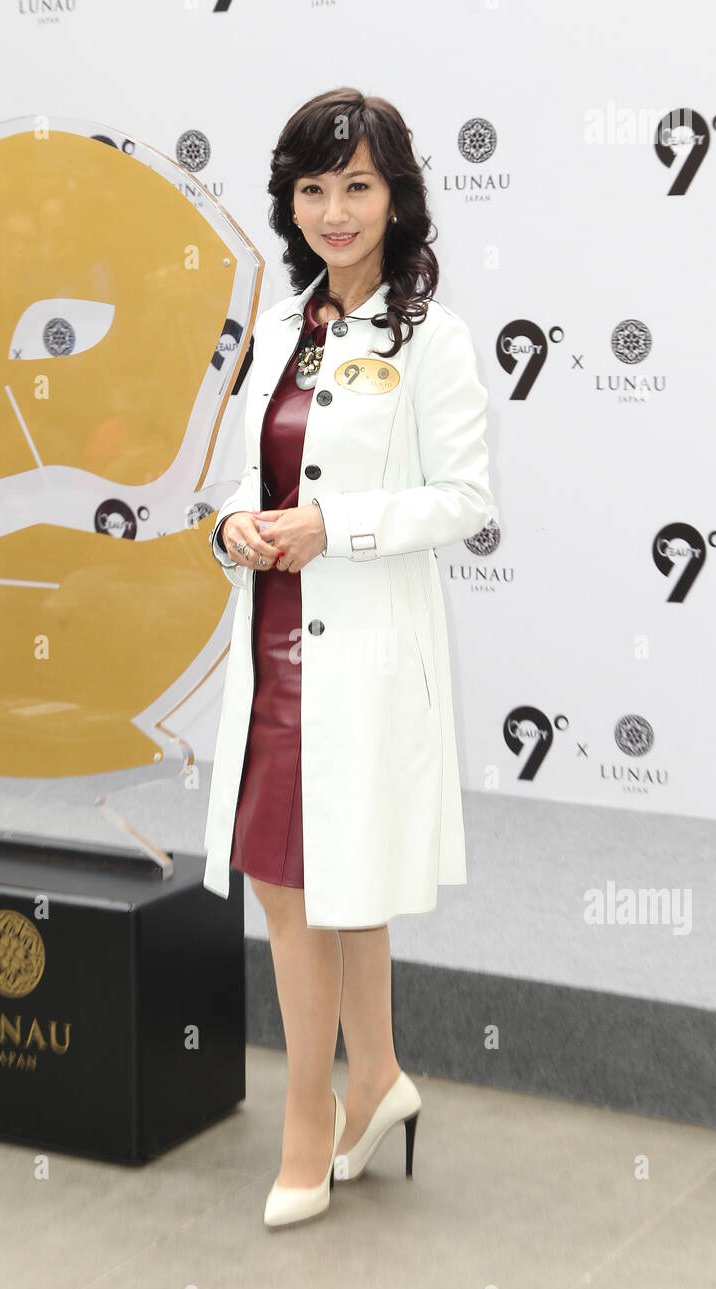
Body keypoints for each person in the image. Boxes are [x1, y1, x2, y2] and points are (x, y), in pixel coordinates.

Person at [203, 88, 498, 1229]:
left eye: (357, 186)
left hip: (361, 652)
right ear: (290, 201)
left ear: (396, 198)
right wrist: (234, 526)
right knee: (320, 876)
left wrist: (341, 526)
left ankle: (307, 1120)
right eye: (313, 187)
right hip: (271, 643)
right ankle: (374, 1079)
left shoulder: (432, 339)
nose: (334, 210)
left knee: (308, 885)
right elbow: (246, 482)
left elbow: (464, 499)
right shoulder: (281, 326)